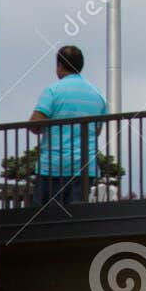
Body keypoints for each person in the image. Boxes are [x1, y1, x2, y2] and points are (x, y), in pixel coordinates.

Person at [27, 45, 108, 208]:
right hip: (85, 168)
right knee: (76, 221)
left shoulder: (52, 91)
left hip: (52, 166)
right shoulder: (97, 95)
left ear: (59, 66)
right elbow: (96, 131)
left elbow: (34, 125)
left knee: (40, 222)